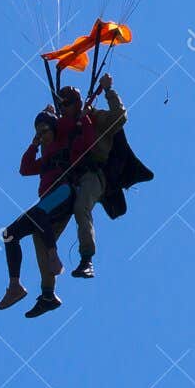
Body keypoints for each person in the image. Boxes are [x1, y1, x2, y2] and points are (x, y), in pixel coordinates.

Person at [0, 104, 93, 318]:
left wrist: (76, 115)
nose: (42, 136)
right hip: (48, 202)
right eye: (38, 132)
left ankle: (52, 256)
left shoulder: (64, 145)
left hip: (66, 192)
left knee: (39, 215)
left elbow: (82, 137)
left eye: (44, 131)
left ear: (54, 128)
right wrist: (34, 143)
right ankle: (15, 286)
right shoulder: (46, 158)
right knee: (9, 234)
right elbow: (24, 169)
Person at [69, 74, 126, 279]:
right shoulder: (67, 125)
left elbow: (119, 116)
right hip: (71, 178)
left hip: (93, 176)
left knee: (80, 207)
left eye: (68, 103)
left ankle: (87, 260)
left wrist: (109, 90)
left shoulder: (96, 118)